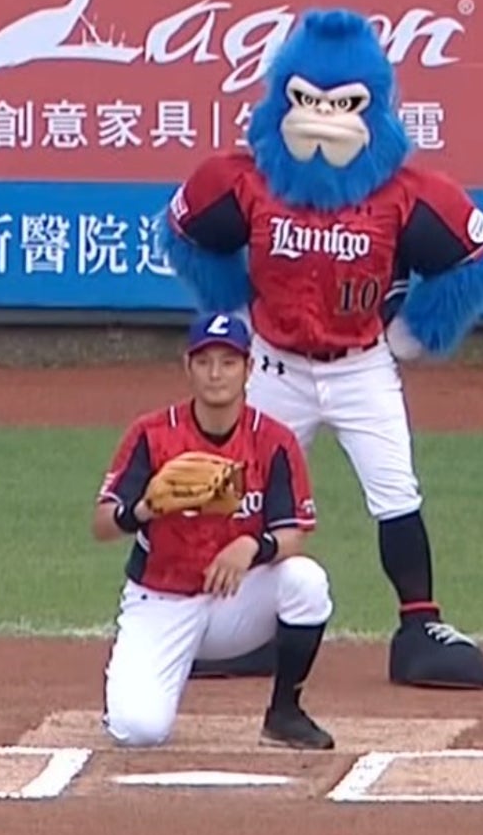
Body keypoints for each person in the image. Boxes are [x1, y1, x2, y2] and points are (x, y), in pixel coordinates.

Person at [157, 9, 483, 690]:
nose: (322, 117)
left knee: (395, 493)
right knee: (234, 491)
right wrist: (229, 302)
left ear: (370, 106)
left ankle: (419, 624)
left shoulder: (405, 194)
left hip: (360, 367)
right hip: (273, 365)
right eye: (307, 101)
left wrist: (416, 329)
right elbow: (187, 228)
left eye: (341, 103)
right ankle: (243, 629)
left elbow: (474, 254)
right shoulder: (244, 179)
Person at [93, 310, 336, 751]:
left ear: (249, 368)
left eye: (228, 362)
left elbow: (294, 533)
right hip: (162, 599)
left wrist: (251, 546)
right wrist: (144, 509)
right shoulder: (152, 435)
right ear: (187, 367)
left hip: (235, 602)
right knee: (139, 730)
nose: (216, 373)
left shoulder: (274, 441)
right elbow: (103, 524)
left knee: (306, 581)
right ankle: (137, 678)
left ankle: (284, 713)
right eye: (204, 362)